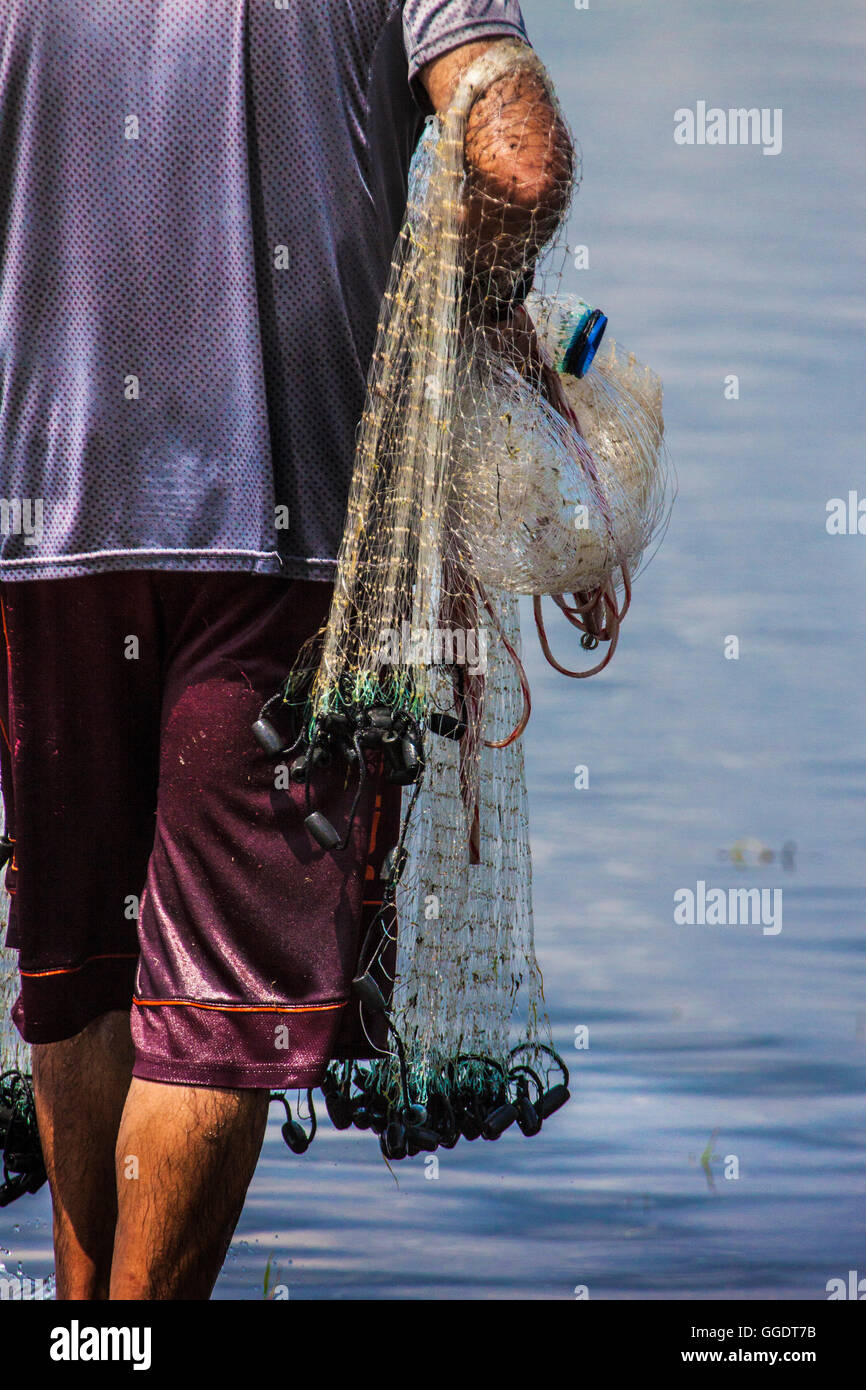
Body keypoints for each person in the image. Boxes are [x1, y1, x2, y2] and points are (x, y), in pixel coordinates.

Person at [0, 0, 571, 1300]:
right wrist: (468, 315)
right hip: (287, 530)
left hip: (40, 509)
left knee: (82, 975)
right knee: (207, 1013)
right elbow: (515, 155)